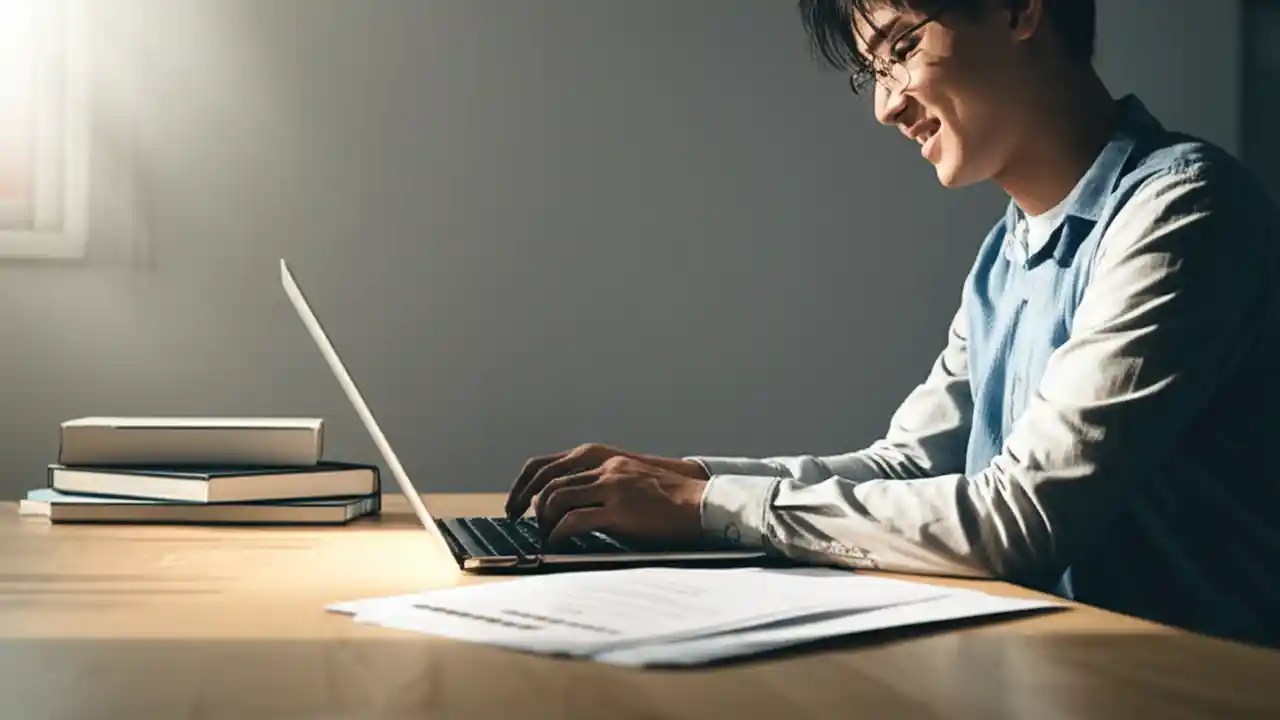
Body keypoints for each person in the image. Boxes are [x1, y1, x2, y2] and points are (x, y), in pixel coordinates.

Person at [504, 0, 1280, 647]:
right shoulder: (1009, 251)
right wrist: (685, 480)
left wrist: (702, 507)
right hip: (1063, 669)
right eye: (873, 72)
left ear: (1019, 11)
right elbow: (910, 466)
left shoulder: (1181, 212)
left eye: (901, 49)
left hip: (1192, 685)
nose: (886, 105)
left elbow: (1017, 517)